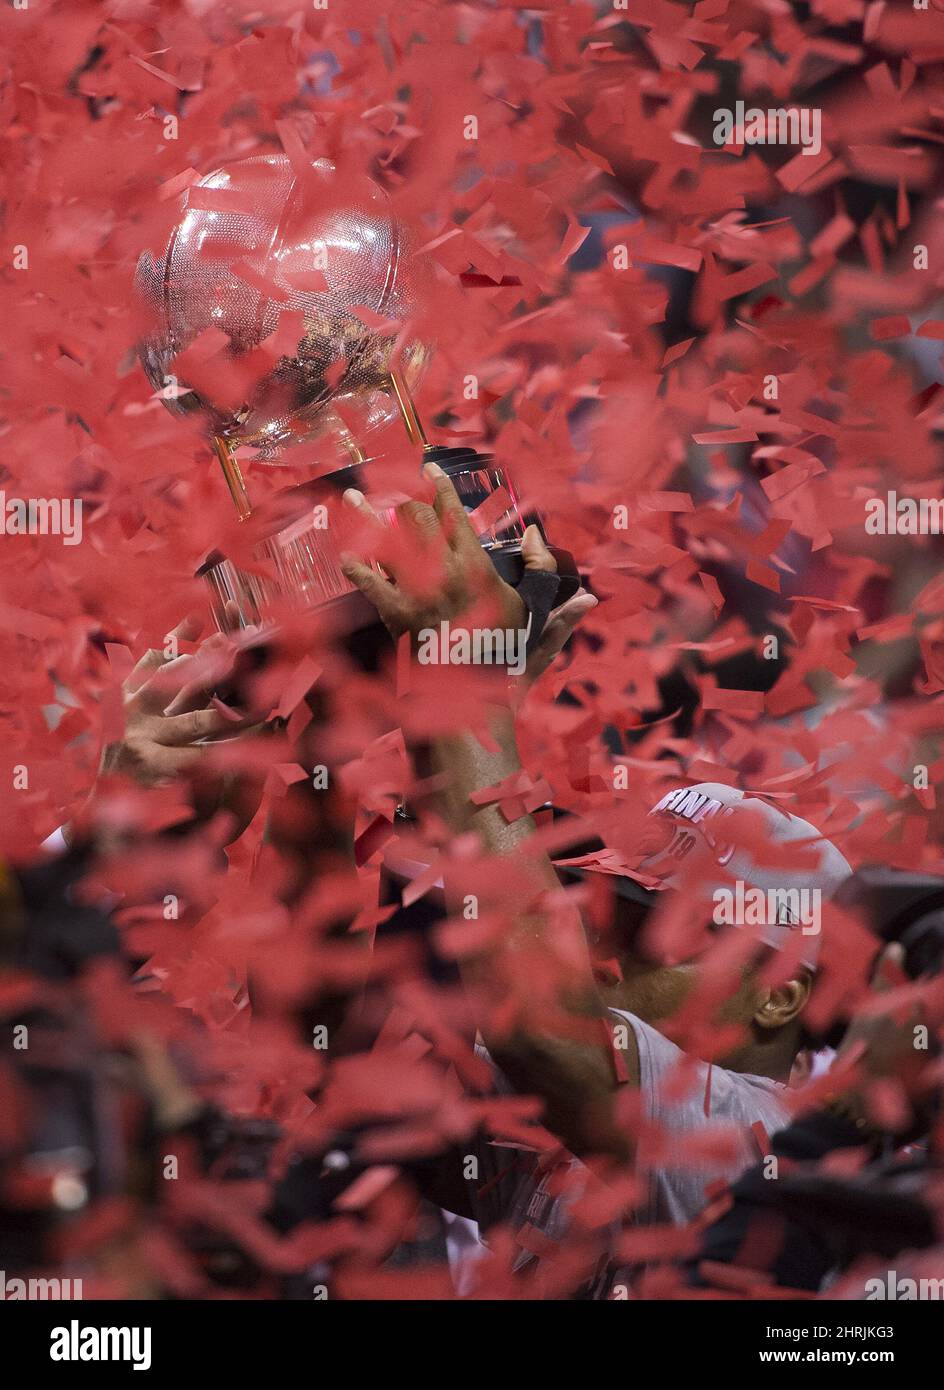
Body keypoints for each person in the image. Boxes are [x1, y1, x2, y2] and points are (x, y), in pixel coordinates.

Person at [340, 461, 854, 1293]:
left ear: (780, 991)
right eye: (602, 912)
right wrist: (380, 727)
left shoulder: (761, 1141)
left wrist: (470, 691)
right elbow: (361, 1087)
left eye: (656, 930)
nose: (601, 948)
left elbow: (542, 1028)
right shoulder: (573, 1125)